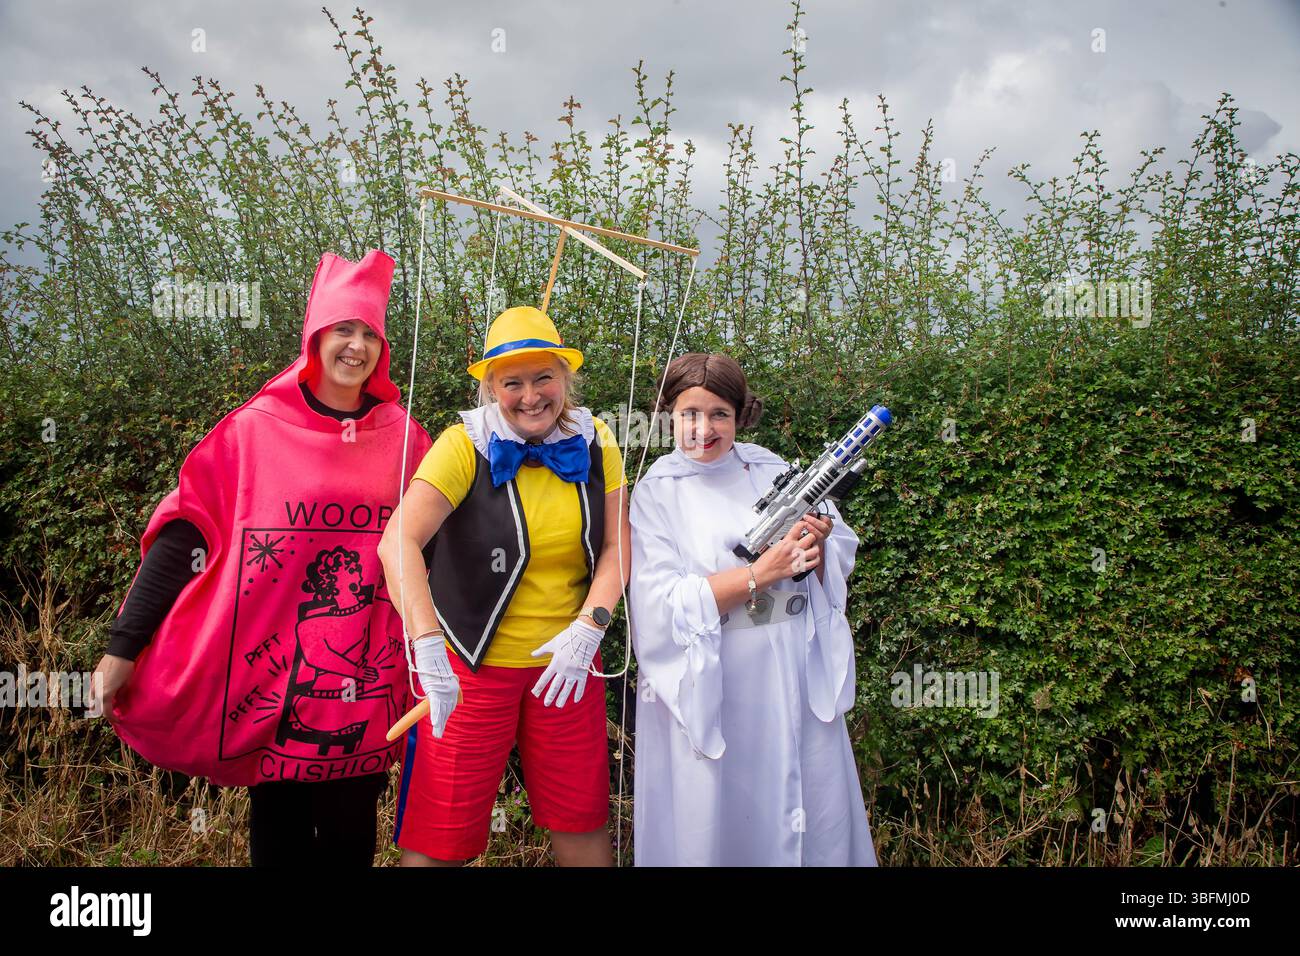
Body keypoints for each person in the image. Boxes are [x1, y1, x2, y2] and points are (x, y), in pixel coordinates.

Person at [91, 250, 432, 866]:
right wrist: (123, 646)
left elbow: (440, 547)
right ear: (315, 336)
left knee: (352, 831)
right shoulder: (254, 430)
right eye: (343, 330)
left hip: (367, 681)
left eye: (370, 334)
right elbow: (185, 536)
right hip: (271, 677)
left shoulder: (407, 438)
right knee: (278, 832)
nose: (356, 346)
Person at [379, 305, 630, 867]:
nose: (531, 395)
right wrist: (426, 645)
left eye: (544, 378)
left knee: (582, 822)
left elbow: (616, 547)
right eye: (512, 382)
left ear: (566, 380)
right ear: (491, 389)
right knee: (438, 839)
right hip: (467, 667)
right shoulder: (463, 444)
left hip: (566, 666)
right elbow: (398, 542)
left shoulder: (597, 440)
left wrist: (592, 626)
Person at [628, 352, 878, 866]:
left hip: (789, 667)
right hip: (716, 679)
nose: (703, 429)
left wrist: (817, 543)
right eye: (688, 414)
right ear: (668, 415)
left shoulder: (773, 469)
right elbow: (660, 602)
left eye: (718, 413)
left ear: (740, 414)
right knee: (721, 818)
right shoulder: (657, 491)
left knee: (807, 805)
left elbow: (836, 558)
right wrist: (757, 574)